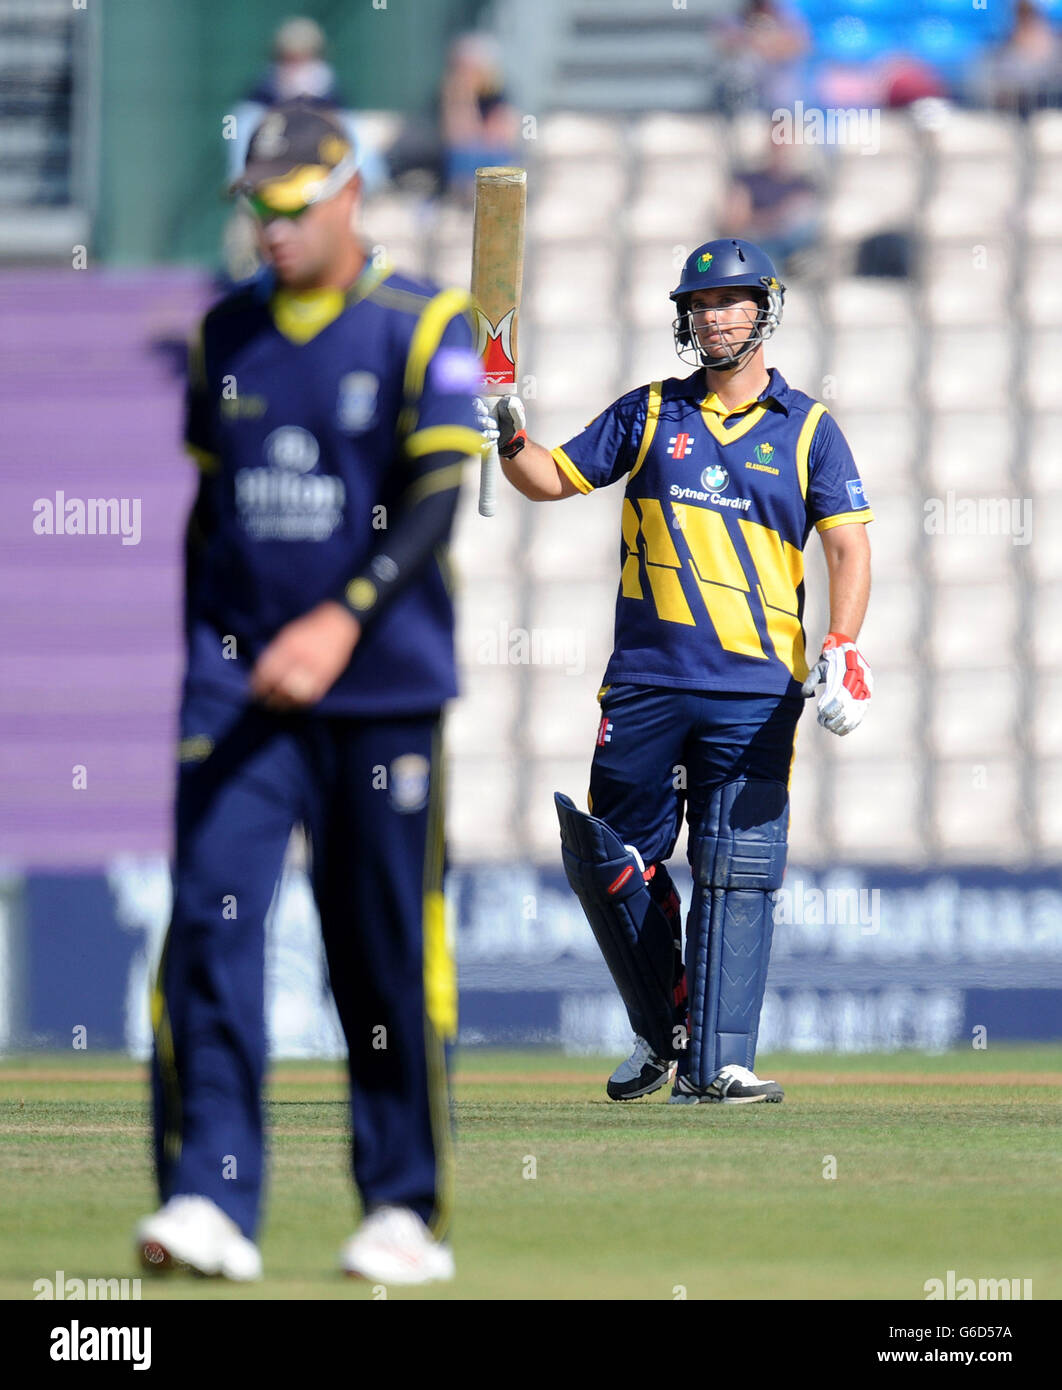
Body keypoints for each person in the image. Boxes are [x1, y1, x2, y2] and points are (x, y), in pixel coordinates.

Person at [135, 101, 484, 1283]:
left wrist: (343, 618)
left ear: (348, 194)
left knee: (378, 948)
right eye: (257, 210)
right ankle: (207, 1196)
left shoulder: (424, 322)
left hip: (382, 692)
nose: (273, 232)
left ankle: (401, 1208)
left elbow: (437, 501)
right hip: (236, 691)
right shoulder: (222, 334)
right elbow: (208, 511)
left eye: (293, 209)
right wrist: (204, 654)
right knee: (207, 927)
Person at [485, 239, 873, 1104]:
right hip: (647, 682)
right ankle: (660, 1032)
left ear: (764, 309)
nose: (714, 315)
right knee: (615, 859)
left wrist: (843, 646)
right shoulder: (652, 411)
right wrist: (511, 435)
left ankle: (720, 1063)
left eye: (731, 300)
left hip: (756, 690)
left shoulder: (808, 427)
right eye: (700, 303)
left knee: (738, 866)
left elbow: (849, 547)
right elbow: (550, 479)